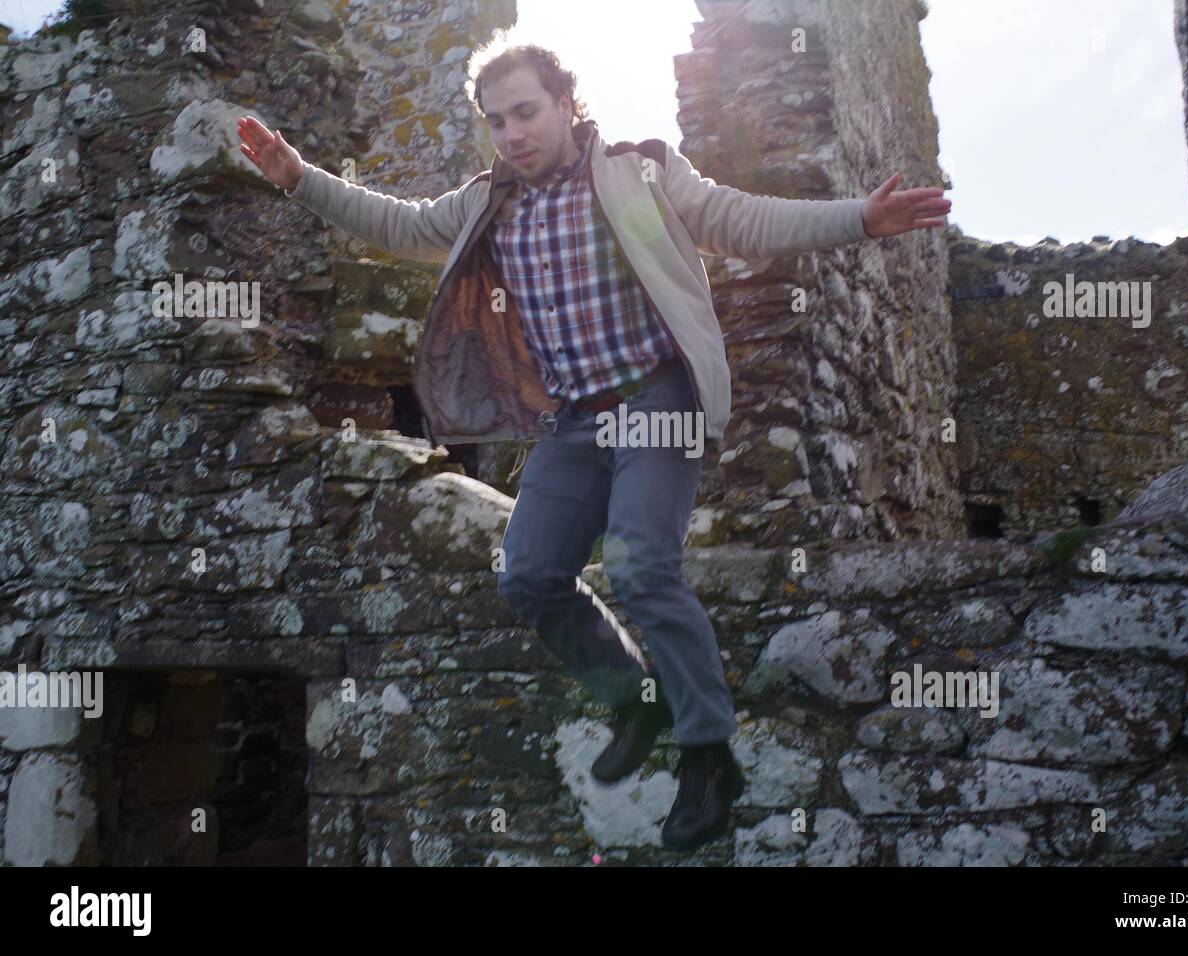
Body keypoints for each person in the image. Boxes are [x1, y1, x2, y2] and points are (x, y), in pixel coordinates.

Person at [236, 43, 950, 853]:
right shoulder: (485, 206)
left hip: (656, 400)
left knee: (643, 563)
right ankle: (634, 699)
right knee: (529, 573)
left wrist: (859, 217)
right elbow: (397, 223)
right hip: (574, 421)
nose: (511, 133)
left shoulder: (633, 176)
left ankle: (708, 753)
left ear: (567, 103)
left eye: (526, 112)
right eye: (496, 121)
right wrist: (300, 178)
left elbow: (737, 217)